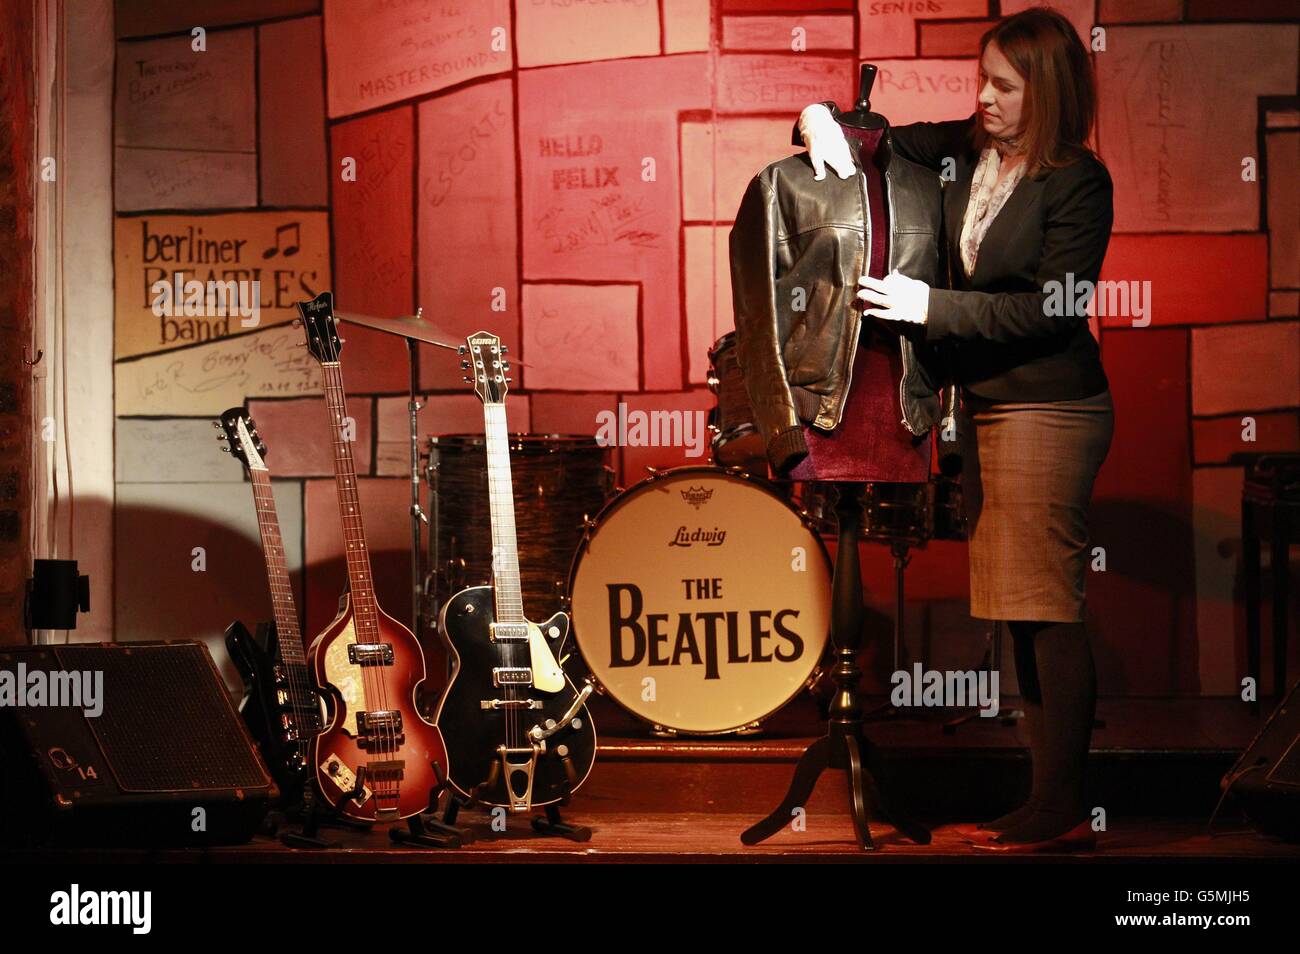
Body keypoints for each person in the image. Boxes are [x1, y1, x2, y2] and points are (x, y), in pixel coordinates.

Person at [798, 7, 1114, 852]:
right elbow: (882, 139)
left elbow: (1054, 308)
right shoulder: (969, 147)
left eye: (1004, 86)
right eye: (983, 80)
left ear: (1045, 92)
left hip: (1049, 405)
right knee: (1021, 606)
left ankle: (1062, 805)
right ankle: (1049, 801)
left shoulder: (1079, 182)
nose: (985, 97)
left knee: (1045, 604)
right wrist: (821, 122)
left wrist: (934, 307)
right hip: (989, 406)